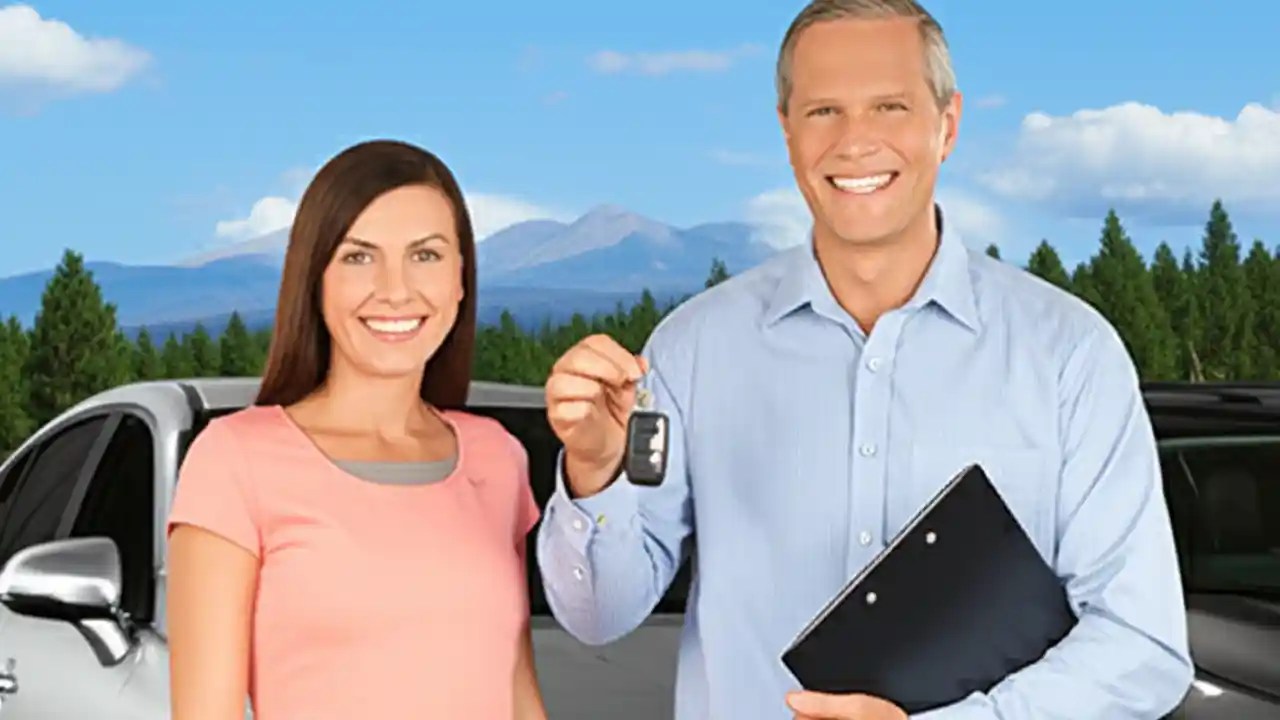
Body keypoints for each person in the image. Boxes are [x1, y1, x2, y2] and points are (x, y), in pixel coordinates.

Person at [536, 1, 1194, 719]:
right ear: (786, 130)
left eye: (889, 106)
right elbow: (598, 618)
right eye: (824, 111)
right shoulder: (691, 349)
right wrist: (597, 476)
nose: (856, 142)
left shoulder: (1071, 354)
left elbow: (1142, 645)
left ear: (948, 123)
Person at [165, 139, 546, 719]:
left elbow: (517, 693)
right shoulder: (234, 461)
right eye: (358, 256)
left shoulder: (497, 459)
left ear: (461, 279)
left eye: (425, 255)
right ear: (313, 279)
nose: (395, 289)